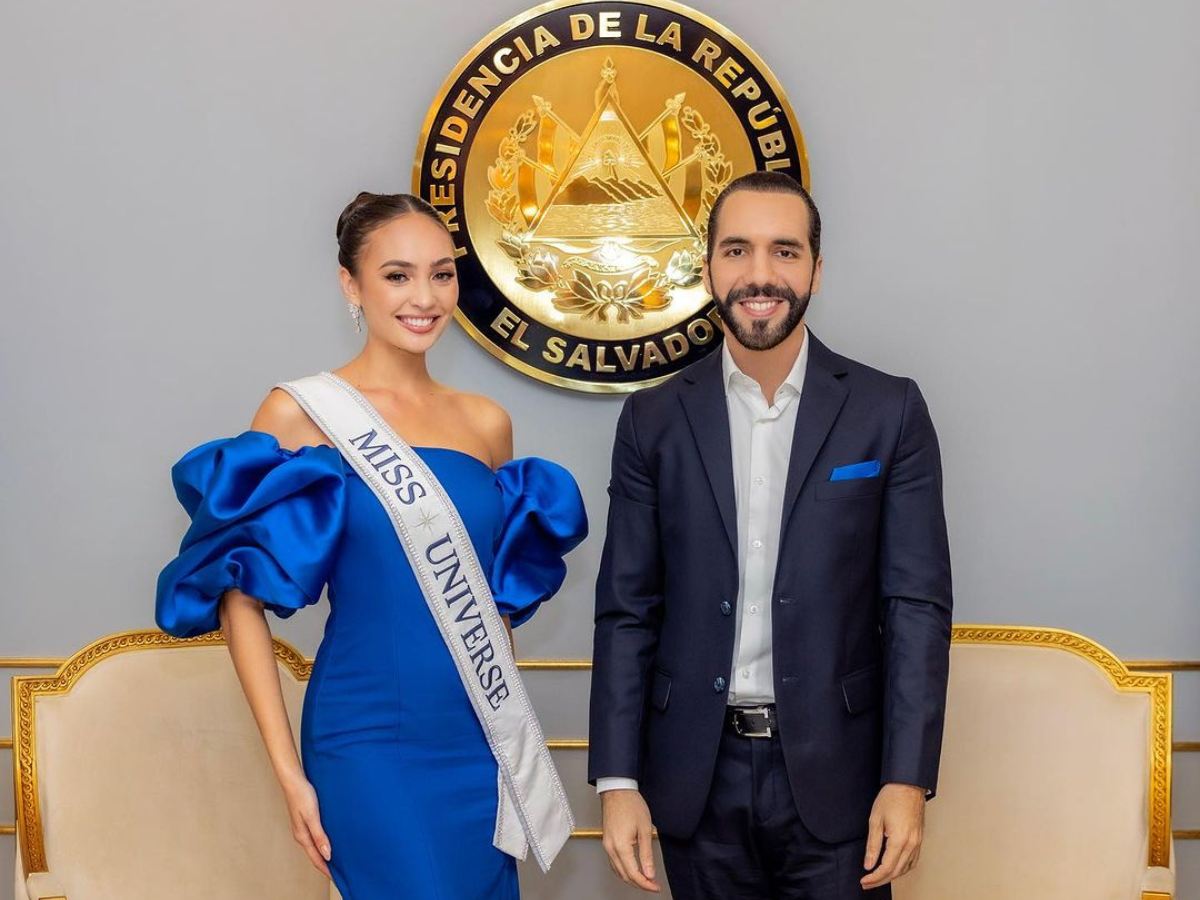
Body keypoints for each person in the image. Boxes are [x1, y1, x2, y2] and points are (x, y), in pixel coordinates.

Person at [156, 192, 587, 900]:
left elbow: (493, 607)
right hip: (367, 742)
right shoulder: (301, 414)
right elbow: (239, 596)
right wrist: (288, 771)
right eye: (397, 275)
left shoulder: (486, 424)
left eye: (442, 274)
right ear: (350, 285)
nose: (425, 297)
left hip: (479, 744)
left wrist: (511, 741)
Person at [588, 171, 952, 899]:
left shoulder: (890, 411)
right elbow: (628, 609)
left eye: (785, 252)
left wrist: (906, 779)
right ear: (708, 267)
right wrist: (618, 780)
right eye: (738, 251)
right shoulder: (652, 421)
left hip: (839, 779)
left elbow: (915, 609)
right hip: (694, 778)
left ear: (818, 268)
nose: (761, 275)